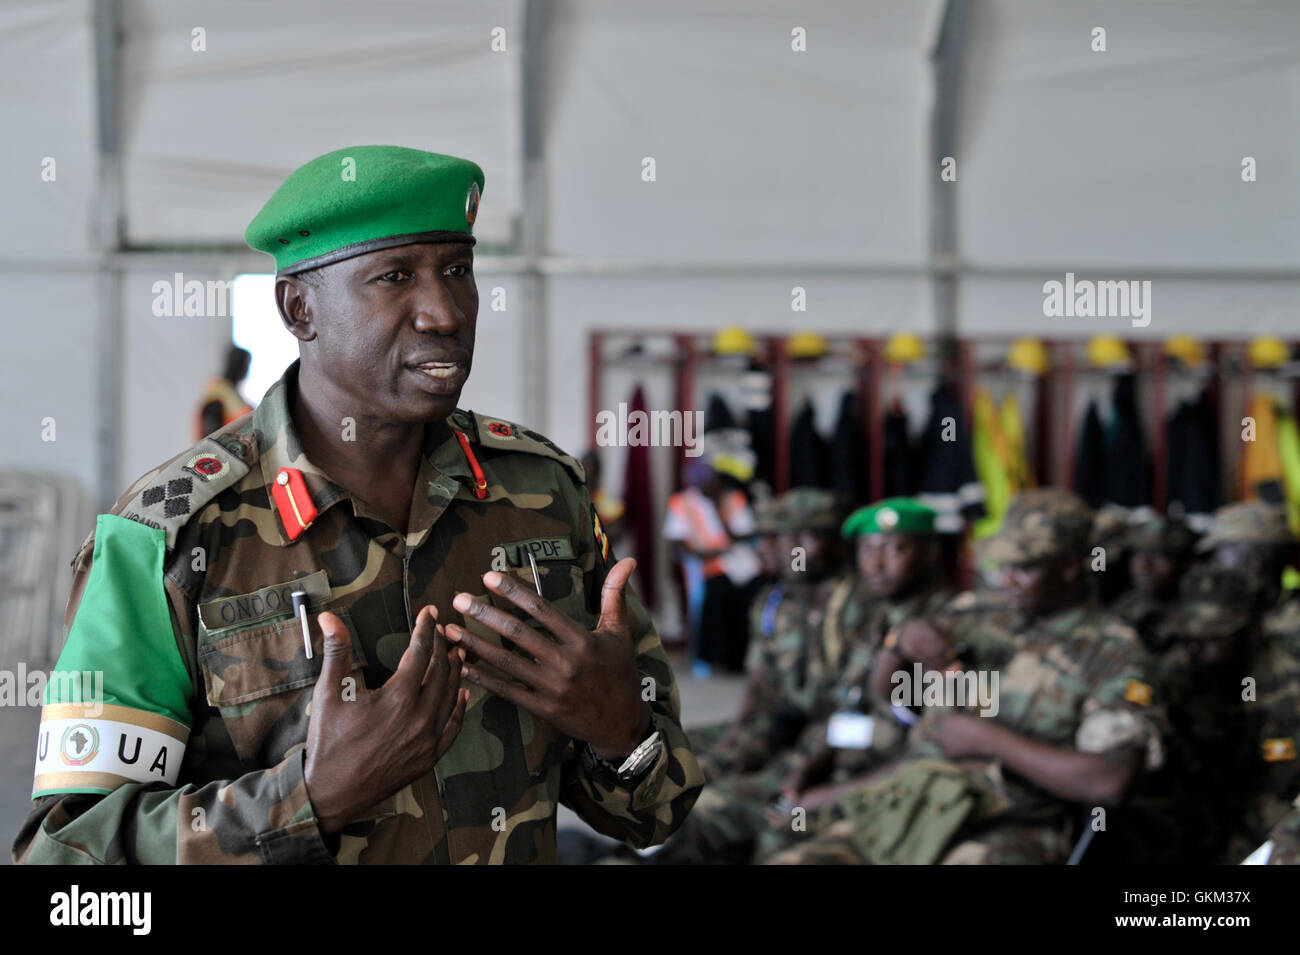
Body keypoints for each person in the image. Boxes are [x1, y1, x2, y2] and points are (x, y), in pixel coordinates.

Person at [13, 145, 702, 865]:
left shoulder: (540, 496)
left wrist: (621, 730)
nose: (443, 312)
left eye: (458, 272)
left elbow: (659, 809)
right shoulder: (169, 537)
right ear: (299, 307)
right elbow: (65, 874)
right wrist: (307, 798)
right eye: (395, 276)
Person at [763, 489, 1164, 865]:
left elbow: (1109, 781)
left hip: (1011, 821)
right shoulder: (977, 614)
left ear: (1071, 566)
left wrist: (986, 739)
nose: (1007, 581)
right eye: (1003, 566)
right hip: (914, 797)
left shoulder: (1110, 652)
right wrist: (898, 644)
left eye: (1024, 569)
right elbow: (885, 694)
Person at [651, 487, 852, 863]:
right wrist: (734, 745)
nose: (780, 548)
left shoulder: (853, 604)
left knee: (711, 796)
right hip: (780, 725)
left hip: (822, 741)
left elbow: (851, 717)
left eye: (798, 537)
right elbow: (759, 689)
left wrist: (754, 757)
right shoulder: (774, 602)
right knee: (670, 751)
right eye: (774, 537)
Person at [1109, 514, 1198, 653]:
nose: (1143, 566)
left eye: (1158, 555)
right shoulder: (1125, 609)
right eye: (1137, 554)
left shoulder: (1203, 610)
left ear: (1185, 563)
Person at [196, 344, 254, 439]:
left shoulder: (232, 396)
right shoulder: (218, 394)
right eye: (246, 365)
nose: (247, 371)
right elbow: (210, 439)